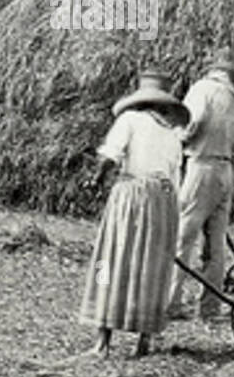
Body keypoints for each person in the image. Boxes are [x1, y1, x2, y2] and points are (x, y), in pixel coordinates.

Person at [80, 70, 189, 358]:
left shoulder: (129, 120)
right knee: (152, 266)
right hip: (164, 201)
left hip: (133, 196)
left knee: (112, 258)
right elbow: (176, 176)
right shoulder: (174, 133)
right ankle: (144, 340)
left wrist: (95, 179)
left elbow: (110, 155)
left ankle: (103, 342)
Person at [167, 48, 234, 321]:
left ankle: (171, 302)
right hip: (226, 170)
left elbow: (193, 122)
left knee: (183, 237)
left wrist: (176, 140)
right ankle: (210, 308)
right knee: (216, 246)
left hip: (202, 166)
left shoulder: (202, 89)